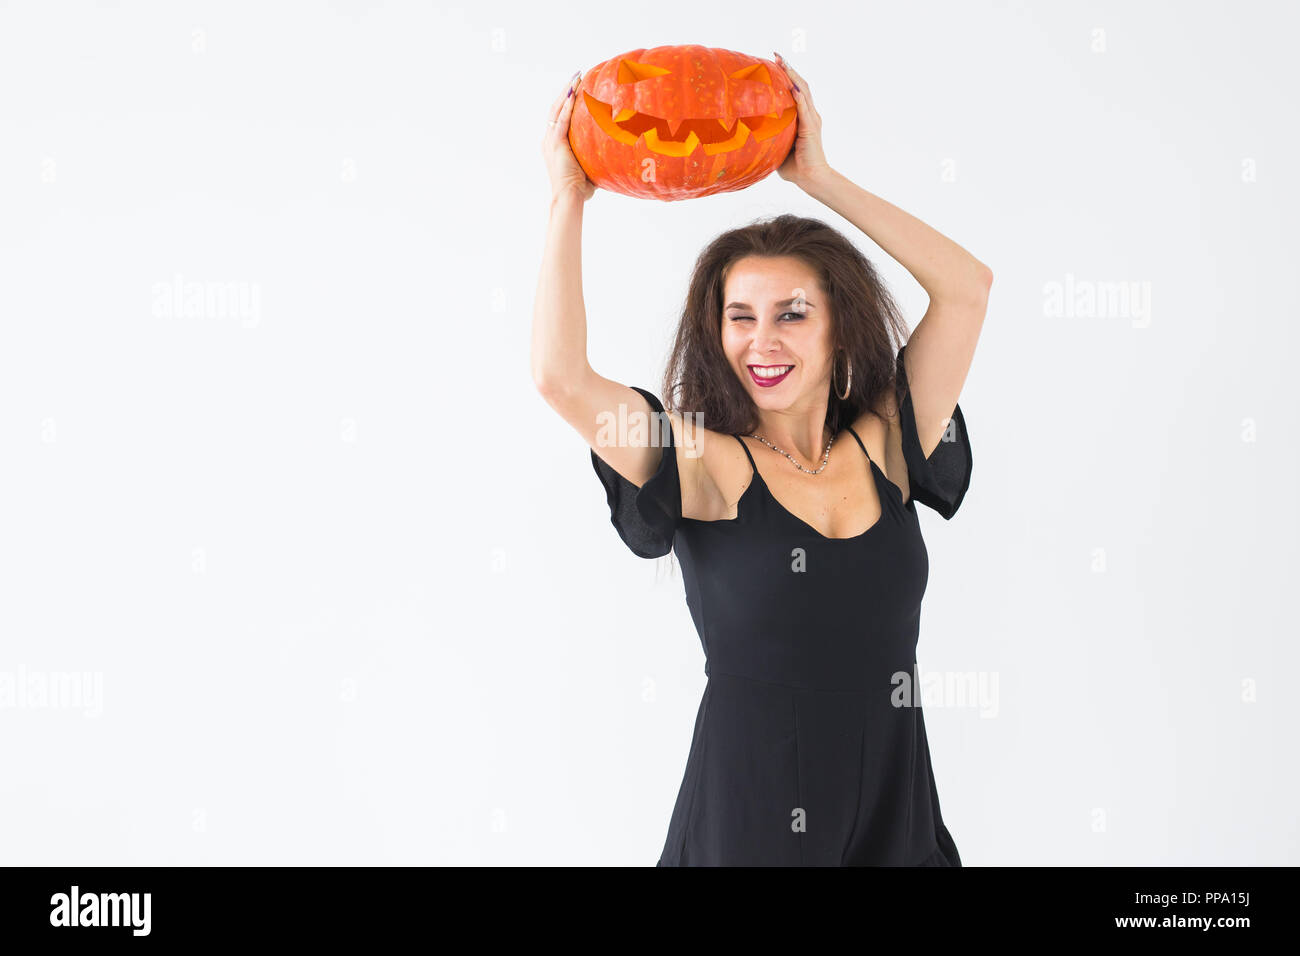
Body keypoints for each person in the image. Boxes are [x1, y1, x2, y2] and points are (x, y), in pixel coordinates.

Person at [533, 54, 992, 865]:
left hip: (897, 819)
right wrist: (569, 197)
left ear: (839, 329)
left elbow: (966, 287)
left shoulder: (888, 443)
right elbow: (561, 379)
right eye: (739, 316)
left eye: (792, 314)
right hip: (749, 826)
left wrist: (815, 175)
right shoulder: (706, 465)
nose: (762, 340)